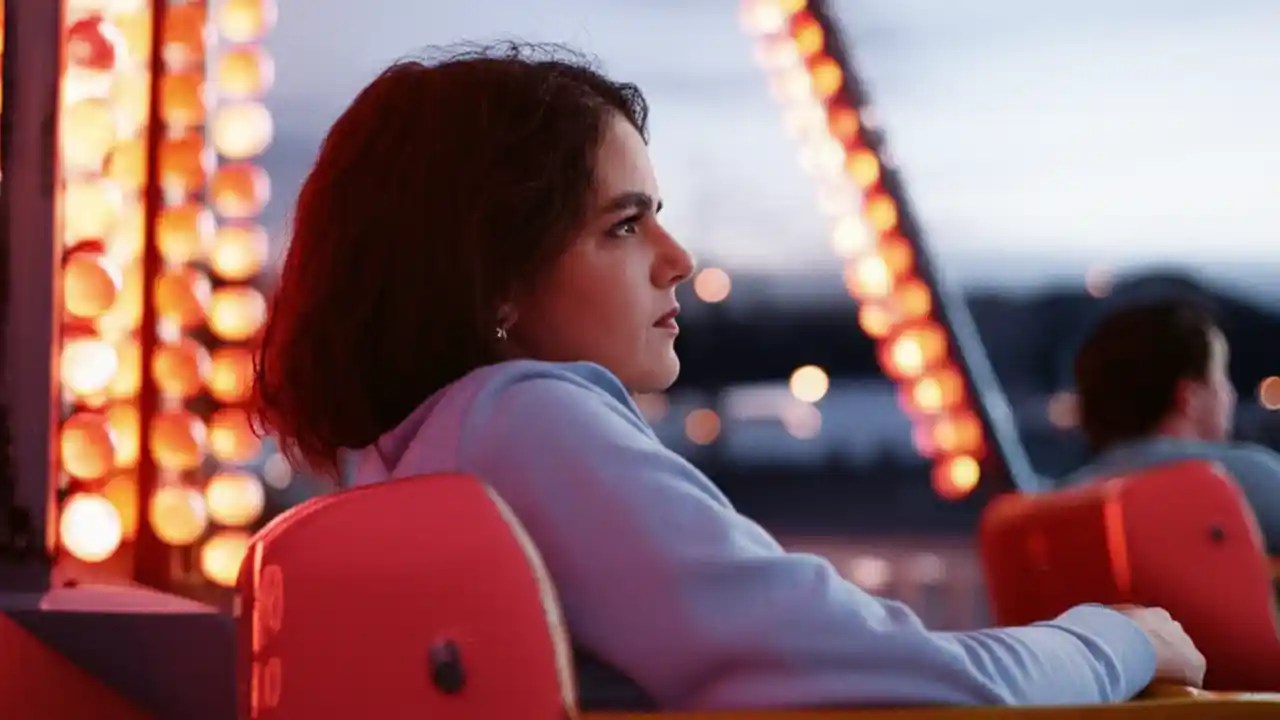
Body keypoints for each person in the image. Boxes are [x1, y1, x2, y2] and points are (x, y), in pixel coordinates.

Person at [253, 43, 1204, 711]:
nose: (675, 257)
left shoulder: (401, 465)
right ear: (493, 278)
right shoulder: (528, 422)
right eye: (624, 226)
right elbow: (870, 673)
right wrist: (1115, 639)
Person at [1060, 299, 1280, 553]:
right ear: (1189, 397)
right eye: (1221, 377)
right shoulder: (1247, 479)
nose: (1230, 395)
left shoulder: (1058, 507)